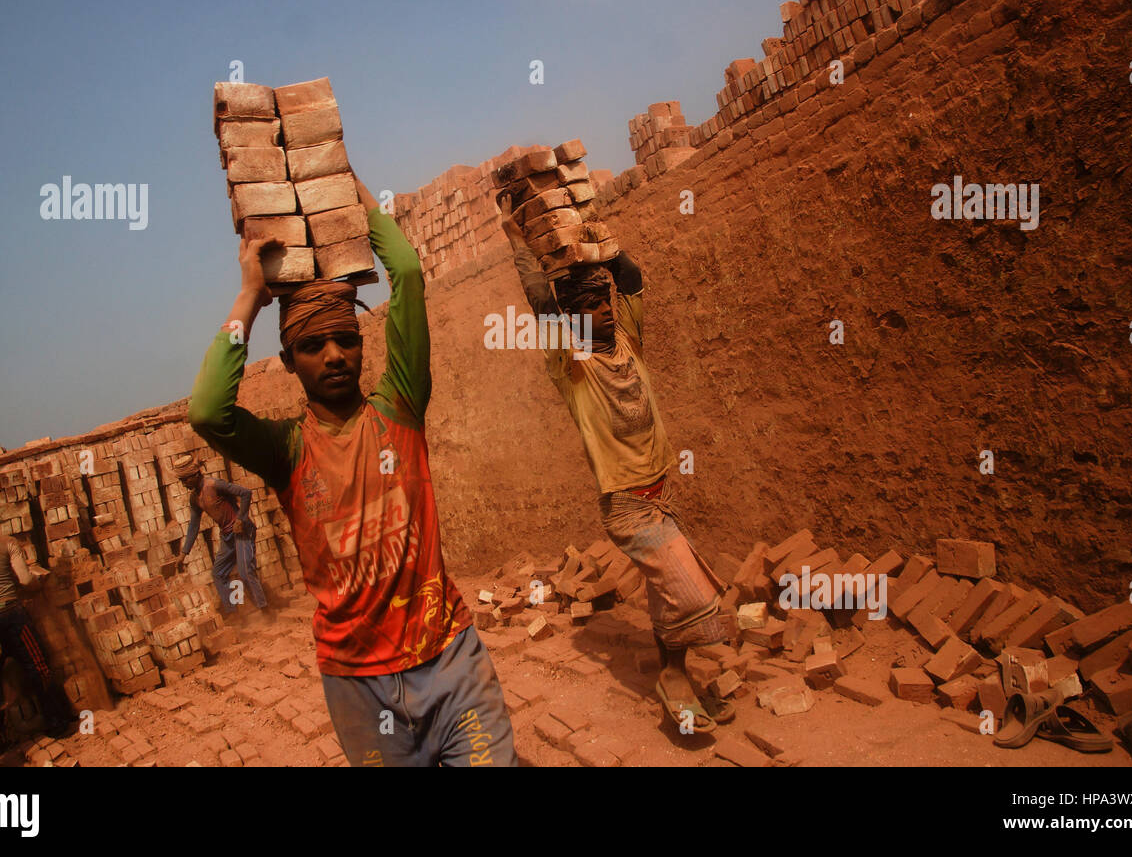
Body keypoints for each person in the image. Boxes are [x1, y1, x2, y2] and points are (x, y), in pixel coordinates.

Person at [187, 174, 516, 767]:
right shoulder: (284, 450)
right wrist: (248, 299)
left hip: (449, 658)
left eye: (346, 339)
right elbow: (208, 409)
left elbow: (409, 274)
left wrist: (344, 185)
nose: (335, 355)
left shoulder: (401, 406)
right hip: (358, 685)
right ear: (287, 360)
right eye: (313, 346)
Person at [501, 203, 731, 733]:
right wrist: (517, 238)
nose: (604, 310)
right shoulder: (573, 366)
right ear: (572, 320)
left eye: (604, 301)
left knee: (665, 595)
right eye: (590, 306)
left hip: (662, 494)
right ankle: (673, 677)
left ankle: (677, 680)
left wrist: (605, 247)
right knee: (694, 596)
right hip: (627, 506)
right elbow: (540, 302)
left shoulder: (628, 340)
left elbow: (631, 278)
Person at [0, 496, 76, 745]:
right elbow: (25, 580)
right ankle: (56, 722)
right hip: (12, 616)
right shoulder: (6, 543)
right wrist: (39, 580)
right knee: (38, 667)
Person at [172, 455, 271, 624]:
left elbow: (246, 493)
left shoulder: (214, 484)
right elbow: (194, 526)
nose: (183, 484)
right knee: (219, 574)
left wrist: (240, 519)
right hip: (227, 536)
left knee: (245, 572)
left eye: (184, 480)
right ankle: (235, 610)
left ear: (195, 474)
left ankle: (265, 611)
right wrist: (183, 553)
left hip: (241, 531)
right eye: (181, 481)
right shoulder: (194, 498)